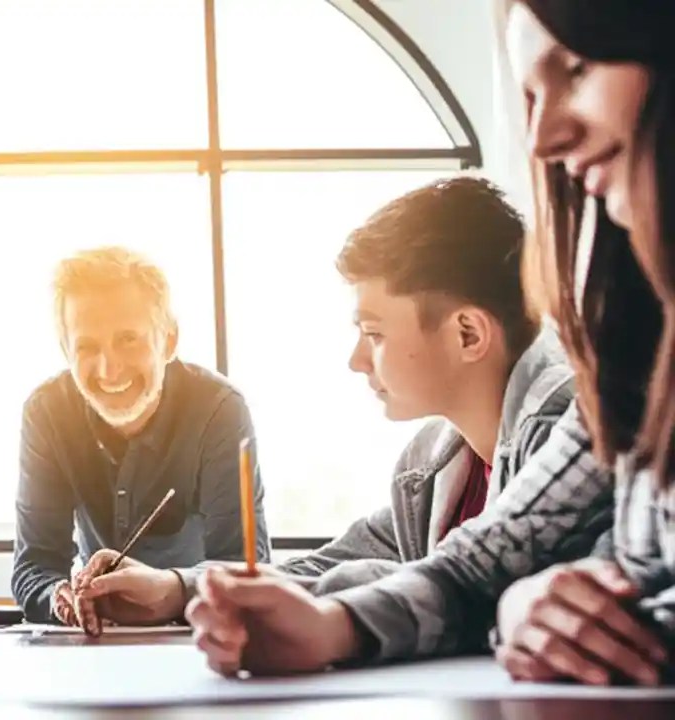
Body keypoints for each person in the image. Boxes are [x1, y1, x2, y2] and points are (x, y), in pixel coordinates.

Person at [186, 0, 674, 687]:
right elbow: (489, 561)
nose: (542, 137)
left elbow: (556, 585)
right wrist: (332, 627)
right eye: (531, 94)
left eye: (577, 68)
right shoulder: (629, 357)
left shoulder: (553, 399)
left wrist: (529, 600)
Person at [272, 177, 574, 594]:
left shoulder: (560, 428)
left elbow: (489, 588)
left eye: (373, 333)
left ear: (467, 334)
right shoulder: (431, 460)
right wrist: (178, 589)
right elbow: (336, 563)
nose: (356, 362)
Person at [12, 246, 270, 633]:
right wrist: (60, 598)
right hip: (96, 637)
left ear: (168, 341)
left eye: (128, 339)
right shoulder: (46, 412)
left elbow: (246, 567)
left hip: (196, 633)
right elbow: (35, 564)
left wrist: (172, 590)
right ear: (66, 350)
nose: (108, 368)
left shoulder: (220, 411)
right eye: (87, 346)